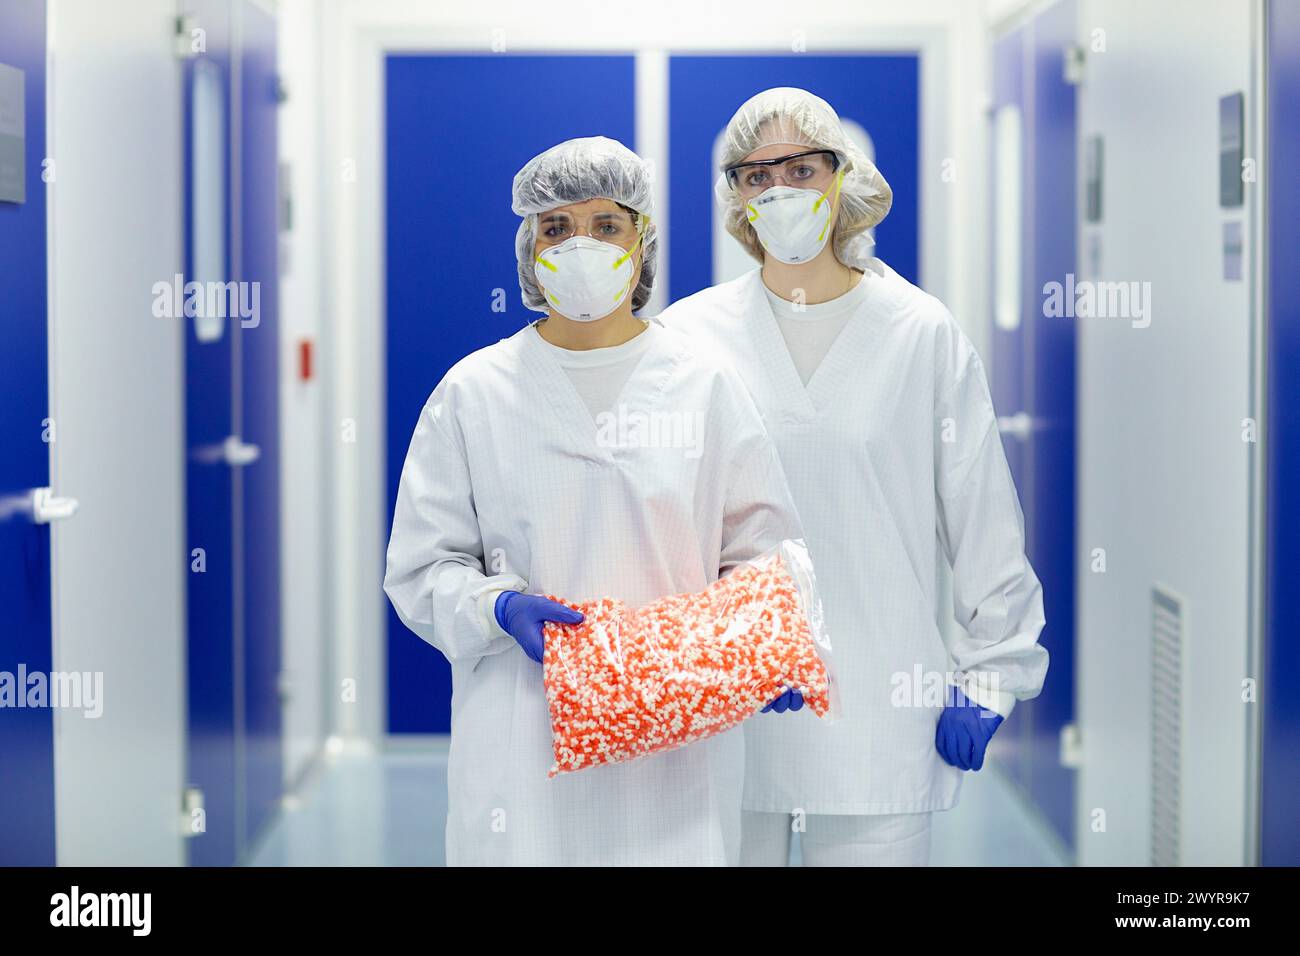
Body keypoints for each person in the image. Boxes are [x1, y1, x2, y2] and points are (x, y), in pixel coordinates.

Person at [384, 136, 805, 866]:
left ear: (641, 242)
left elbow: (764, 553)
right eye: (556, 227)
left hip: (678, 751)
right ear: (528, 248)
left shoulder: (705, 386)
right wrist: (498, 609)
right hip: (523, 745)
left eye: (606, 225)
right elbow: (421, 569)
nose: (581, 245)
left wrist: (764, 646)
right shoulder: (475, 393)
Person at [660, 88, 1049, 866]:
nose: (779, 191)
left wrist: (993, 672)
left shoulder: (918, 332)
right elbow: (659, 528)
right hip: (730, 709)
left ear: (844, 176)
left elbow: (980, 513)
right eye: (754, 174)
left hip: (881, 708)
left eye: (801, 168)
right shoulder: (689, 336)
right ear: (733, 196)